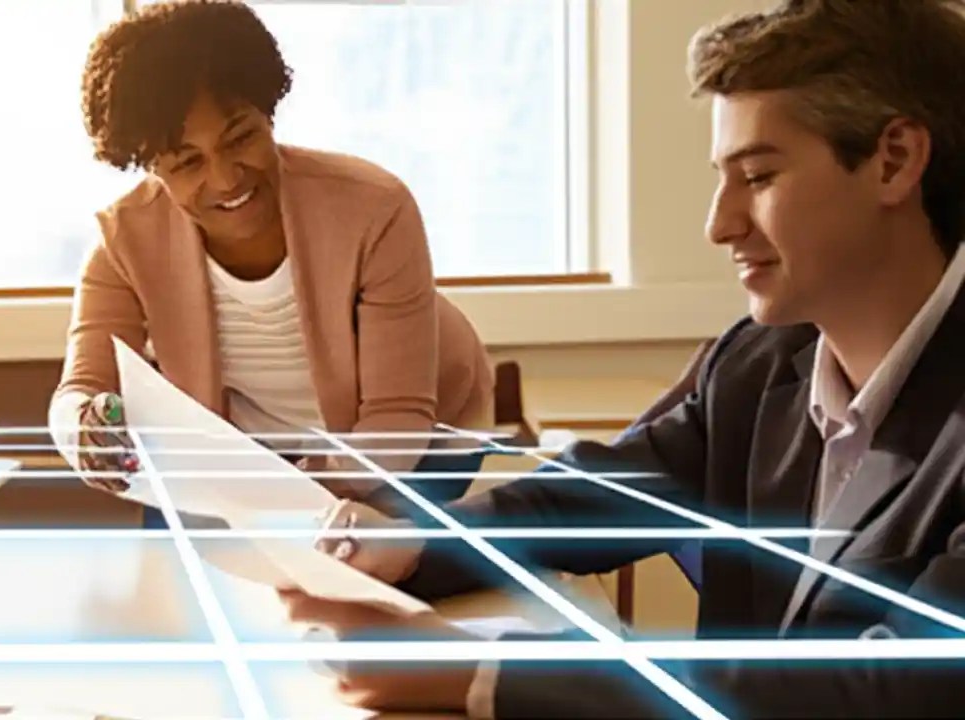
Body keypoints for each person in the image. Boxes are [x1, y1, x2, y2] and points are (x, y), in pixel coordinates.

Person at [280, 0, 965, 717]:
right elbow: (597, 496)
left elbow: (892, 688)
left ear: (894, 161)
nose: (718, 224)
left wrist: (486, 670)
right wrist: (416, 546)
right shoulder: (760, 363)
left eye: (758, 177)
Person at [47, 0, 495, 520]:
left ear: (268, 112)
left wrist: (299, 493)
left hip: (416, 443)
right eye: (188, 162)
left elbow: (397, 420)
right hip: (259, 456)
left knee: (382, 572)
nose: (225, 178)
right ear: (151, 167)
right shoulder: (123, 245)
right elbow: (78, 392)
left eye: (241, 137)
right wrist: (86, 433)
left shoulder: (374, 209)